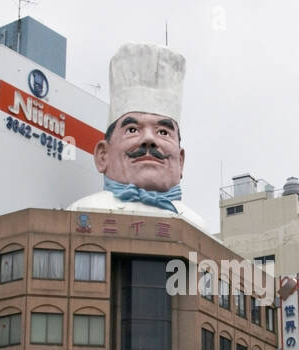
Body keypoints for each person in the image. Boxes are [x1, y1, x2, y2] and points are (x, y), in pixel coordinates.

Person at [68, 43, 207, 229]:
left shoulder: (196, 227)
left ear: (181, 161)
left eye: (163, 132)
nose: (149, 139)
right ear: (103, 155)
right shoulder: (81, 213)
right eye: (132, 129)